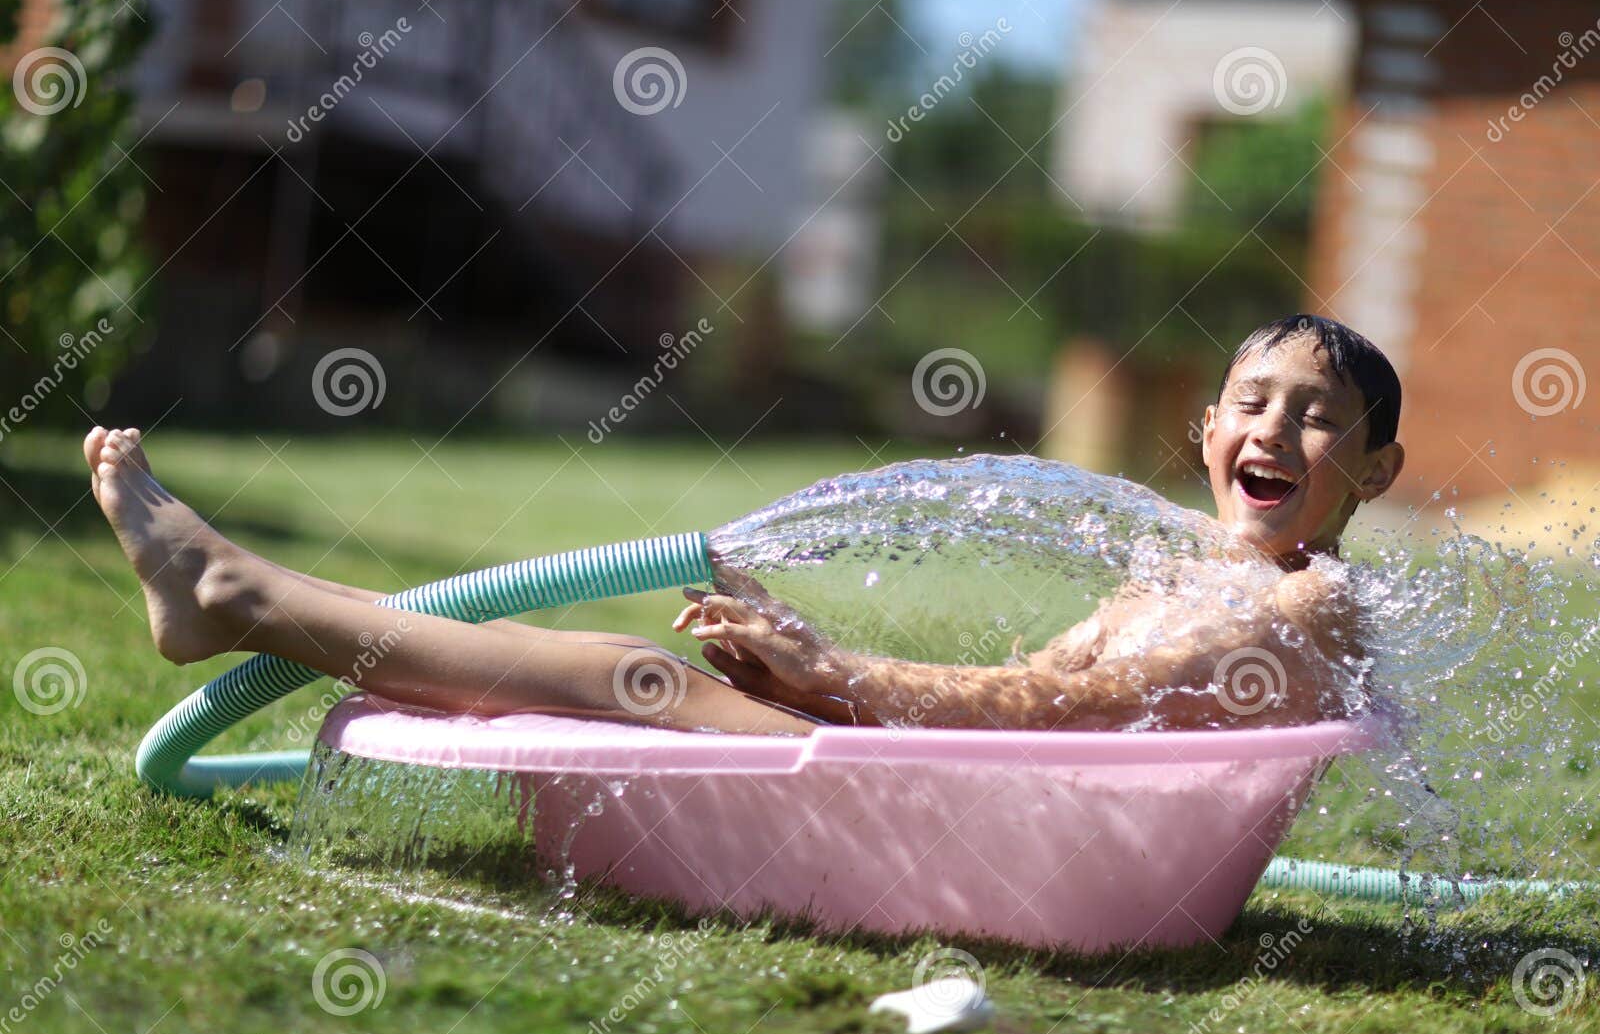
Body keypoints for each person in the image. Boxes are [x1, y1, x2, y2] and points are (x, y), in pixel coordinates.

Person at [86, 314, 1402, 736]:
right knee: (636, 671)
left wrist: (836, 676)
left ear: (1376, 471)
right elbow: (1041, 687)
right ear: (1211, 426)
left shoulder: (1310, 604)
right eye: (1250, 400)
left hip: (1022, 835)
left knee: (626, 673)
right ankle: (246, 597)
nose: (1273, 432)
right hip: (994, 798)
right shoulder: (1173, 567)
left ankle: (238, 598)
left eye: (1318, 416)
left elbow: (1069, 718)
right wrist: (813, 668)